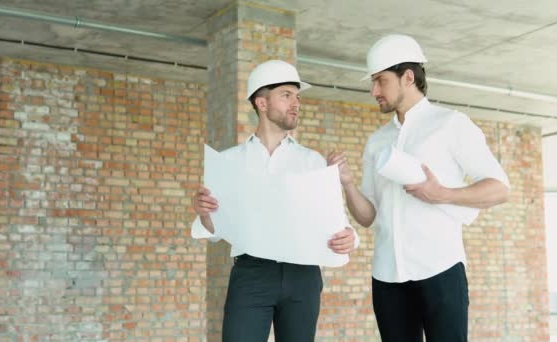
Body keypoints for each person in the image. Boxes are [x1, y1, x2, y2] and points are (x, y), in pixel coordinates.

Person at [327, 34, 510, 342]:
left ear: (408, 77)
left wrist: (442, 194)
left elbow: (500, 189)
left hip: (440, 270)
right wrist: (347, 183)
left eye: (380, 81)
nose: (373, 91)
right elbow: (368, 215)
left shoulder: (451, 124)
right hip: (387, 276)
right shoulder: (377, 142)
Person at [192, 60, 359, 342]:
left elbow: (339, 224)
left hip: (303, 276)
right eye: (286, 95)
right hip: (251, 274)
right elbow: (214, 232)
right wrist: (204, 212)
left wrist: (350, 238)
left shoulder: (312, 161)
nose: (296, 103)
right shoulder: (230, 161)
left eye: (297, 97)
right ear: (262, 102)